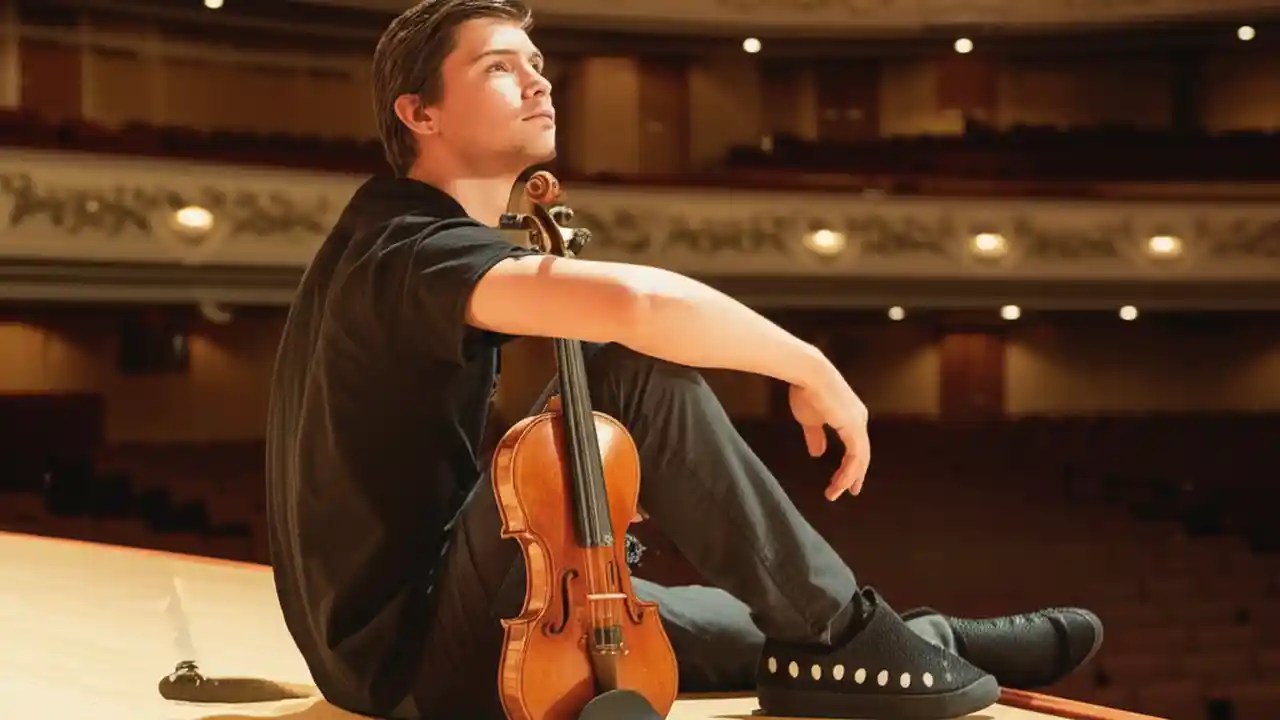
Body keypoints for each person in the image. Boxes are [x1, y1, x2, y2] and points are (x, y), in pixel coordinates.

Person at [264, 1, 1104, 718]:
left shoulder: (390, 237)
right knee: (626, 367)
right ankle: (850, 633)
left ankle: (924, 635)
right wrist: (808, 363)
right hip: (407, 656)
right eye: (497, 68)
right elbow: (638, 307)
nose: (538, 81)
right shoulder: (405, 247)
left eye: (537, 63)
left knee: (749, 633)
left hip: (442, 609)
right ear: (421, 114)